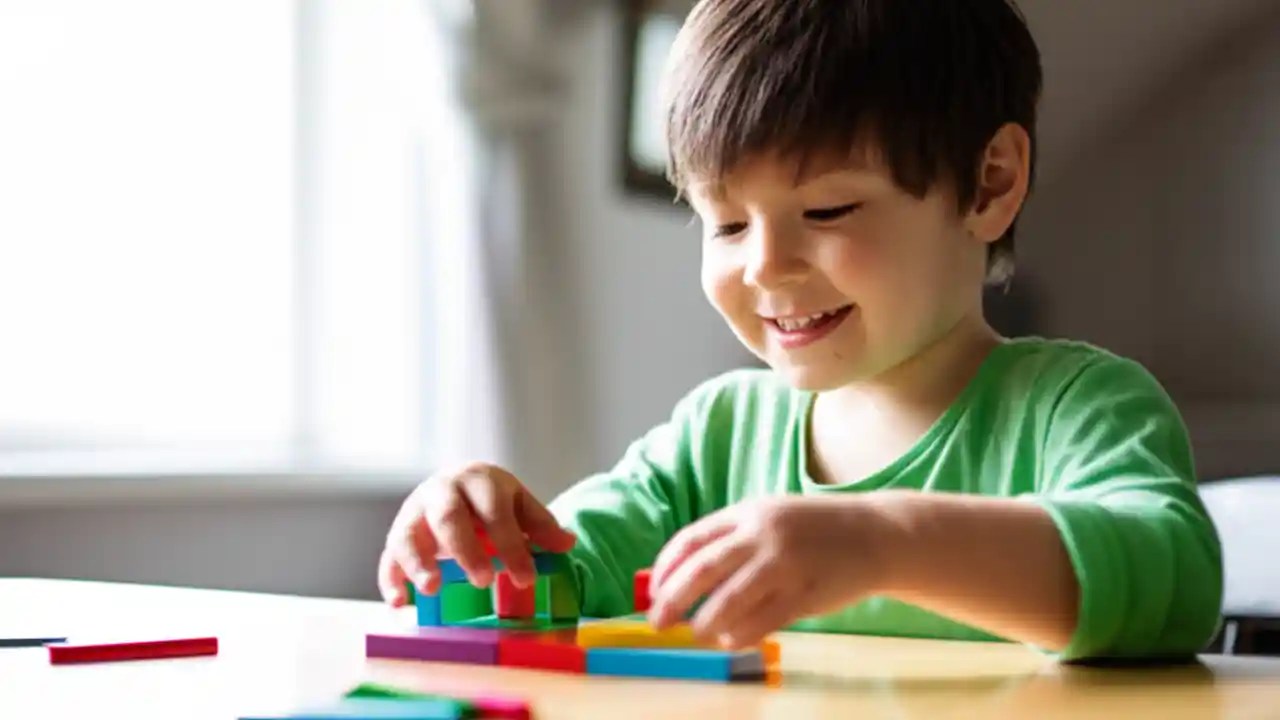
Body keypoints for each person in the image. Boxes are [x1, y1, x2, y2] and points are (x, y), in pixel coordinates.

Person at [378, 0, 1222, 661]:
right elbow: (569, 582)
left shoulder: (1076, 409)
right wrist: (485, 543)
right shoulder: (714, 440)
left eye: (827, 210)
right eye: (728, 226)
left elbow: (1171, 581)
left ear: (988, 183)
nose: (766, 267)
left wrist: (884, 543)